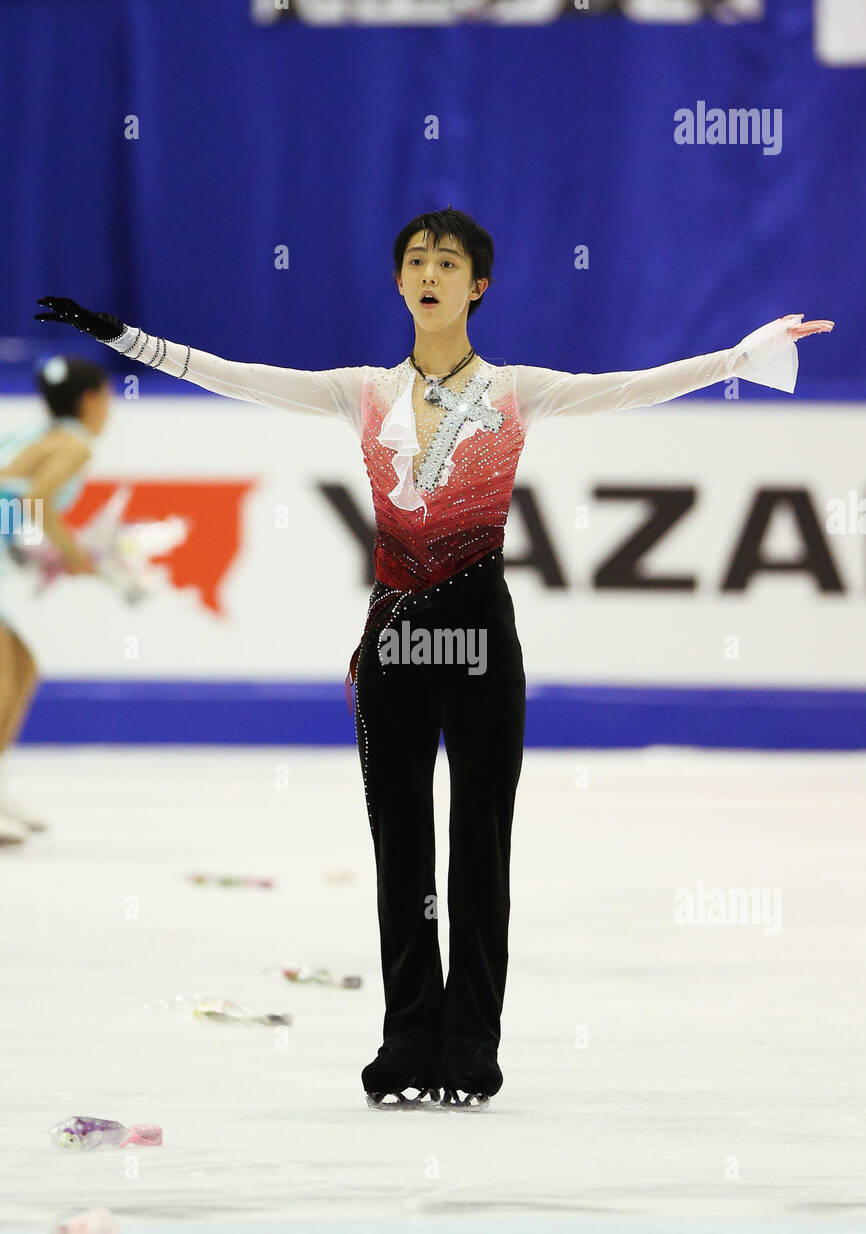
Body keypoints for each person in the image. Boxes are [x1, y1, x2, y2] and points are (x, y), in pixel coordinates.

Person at [34, 207, 834, 1105]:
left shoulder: (516, 392)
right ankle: (409, 1039)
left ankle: (471, 1046)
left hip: (481, 639)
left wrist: (738, 358)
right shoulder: (360, 393)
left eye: (446, 262)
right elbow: (237, 378)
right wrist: (122, 335)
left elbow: (633, 386)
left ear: (477, 285)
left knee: (480, 848)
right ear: (398, 281)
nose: (428, 272)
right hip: (396, 644)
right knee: (401, 850)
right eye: (415, 260)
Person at [0, 356, 108, 845]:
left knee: (22, 668)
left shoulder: (42, 435)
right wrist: (75, 556)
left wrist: (38, 553)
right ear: (90, 401)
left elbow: (13, 498)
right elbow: (34, 501)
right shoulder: (76, 444)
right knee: (4, 678)